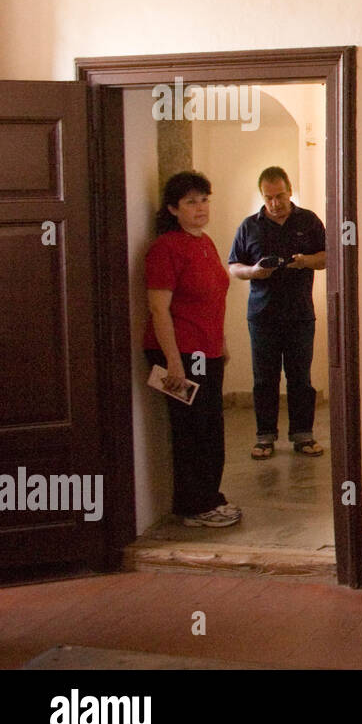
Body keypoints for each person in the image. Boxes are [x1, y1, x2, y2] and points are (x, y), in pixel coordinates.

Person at [143, 171, 240, 527]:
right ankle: (193, 507)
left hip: (207, 351)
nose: (200, 208)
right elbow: (158, 308)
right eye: (190, 202)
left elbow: (213, 298)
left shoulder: (205, 242)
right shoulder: (166, 248)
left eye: (204, 200)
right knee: (192, 432)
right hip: (180, 353)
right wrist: (173, 362)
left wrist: (223, 342)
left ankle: (209, 498)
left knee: (211, 428)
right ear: (173, 209)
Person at [228, 167, 327, 459]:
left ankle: (303, 435)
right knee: (264, 379)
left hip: (300, 314)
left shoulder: (308, 221)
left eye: (280, 195)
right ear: (262, 196)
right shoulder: (249, 226)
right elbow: (234, 266)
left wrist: (306, 261)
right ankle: (264, 436)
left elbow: (328, 256)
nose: (275, 203)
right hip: (262, 316)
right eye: (269, 197)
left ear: (290, 190)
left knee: (300, 377)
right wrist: (254, 272)